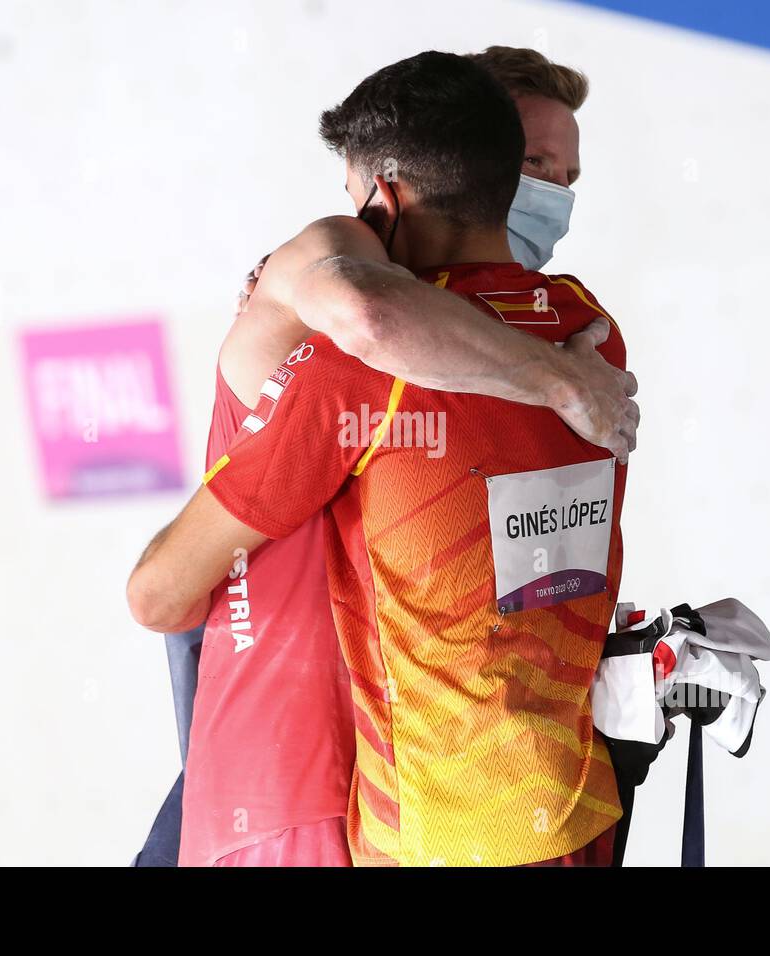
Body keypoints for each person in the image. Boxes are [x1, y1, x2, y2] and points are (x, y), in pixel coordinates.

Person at [129, 50, 627, 866]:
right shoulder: (587, 337)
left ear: (387, 191)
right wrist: (556, 379)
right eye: (538, 166)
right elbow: (368, 309)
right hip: (541, 803)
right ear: (493, 166)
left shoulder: (374, 365)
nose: (554, 196)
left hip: (400, 814)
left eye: (565, 175)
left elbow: (159, 594)